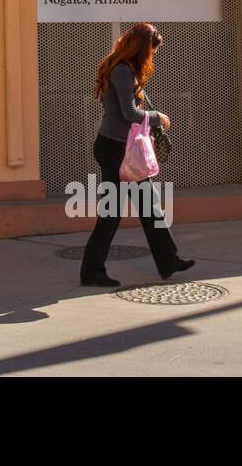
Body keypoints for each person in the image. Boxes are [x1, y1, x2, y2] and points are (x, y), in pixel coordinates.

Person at [79, 22, 195, 287]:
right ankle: (91, 270)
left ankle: (168, 261)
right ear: (141, 48)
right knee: (112, 212)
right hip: (116, 150)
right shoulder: (121, 71)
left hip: (120, 148)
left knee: (148, 206)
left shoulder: (121, 67)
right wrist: (159, 118)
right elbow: (129, 113)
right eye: (151, 51)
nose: (151, 56)